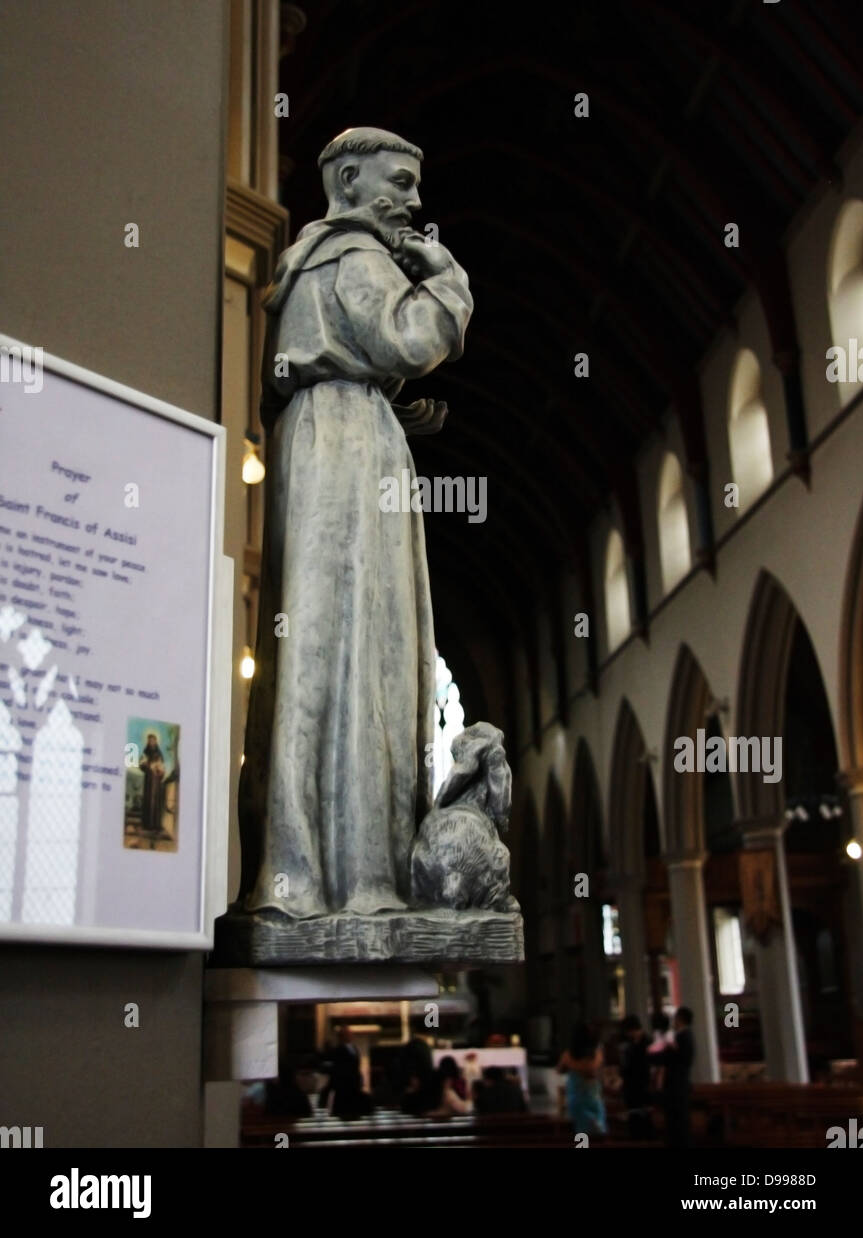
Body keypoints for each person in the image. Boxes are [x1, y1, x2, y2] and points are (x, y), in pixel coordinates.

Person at [237, 127, 473, 919]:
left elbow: (339, 349)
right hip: (348, 445)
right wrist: (447, 281)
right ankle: (363, 880)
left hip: (324, 437)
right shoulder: (352, 251)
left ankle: (295, 874)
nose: (412, 200)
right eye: (397, 182)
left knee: (316, 646)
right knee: (360, 644)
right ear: (345, 179)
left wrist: (397, 408)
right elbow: (407, 335)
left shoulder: (306, 264)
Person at [557, 1024, 607, 1137]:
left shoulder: (568, 1055)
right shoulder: (597, 1054)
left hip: (577, 1096)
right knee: (598, 1132)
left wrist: (572, 1067)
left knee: (581, 1132)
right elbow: (595, 1072)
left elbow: (559, 1070)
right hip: (593, 1096)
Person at [662, 1006, 695, 1147]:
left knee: (679, 1122)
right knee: (677, 1121)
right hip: (677, 1084)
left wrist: (669, 1050)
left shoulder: (684, 1037)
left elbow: (679, 1059)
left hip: (678, 1085)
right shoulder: (683, 1036)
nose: (673, 1021)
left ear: (680, 1019)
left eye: (675, 1018)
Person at [325, 1027, 372, 1119]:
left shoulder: (354, 1048)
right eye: (348, 1034)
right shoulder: (337, 1050)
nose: (351, 1036)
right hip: (344, 1087)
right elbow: (338, 1069)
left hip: (354, 1085)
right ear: (342, 1036)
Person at [620, 1014, 653, 1139]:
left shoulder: (647, 1042)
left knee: (644, 1118)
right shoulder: (631, 1044)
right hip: (631, 1087)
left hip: (643, 1085)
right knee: (633, 1120)